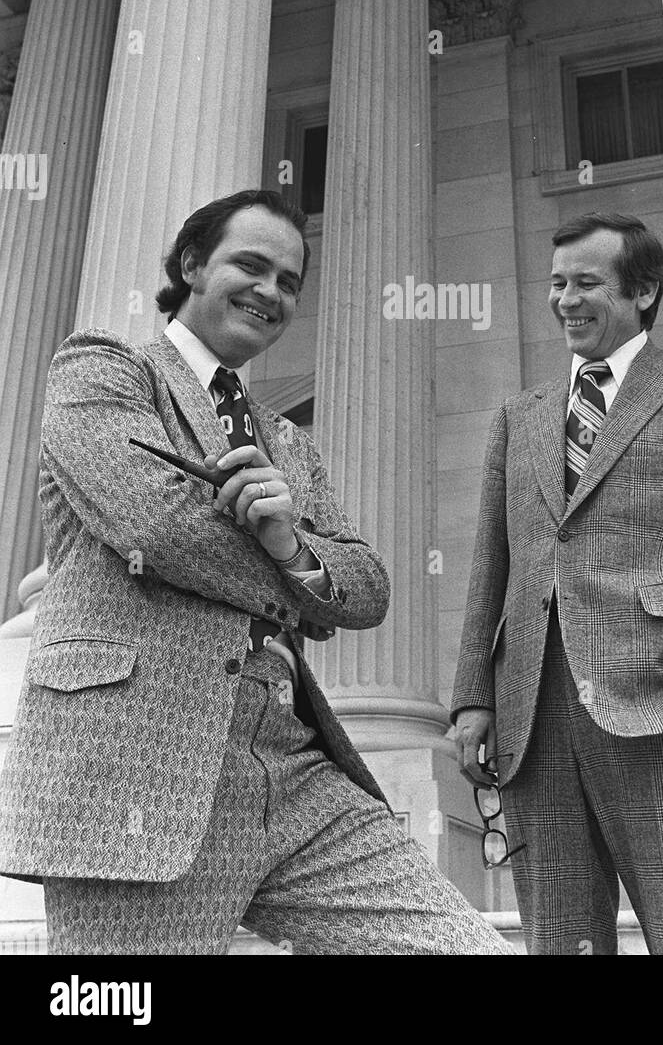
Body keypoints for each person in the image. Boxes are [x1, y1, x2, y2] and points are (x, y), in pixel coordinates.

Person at [0, 188, 509, 956]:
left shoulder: (287, 441)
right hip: (141, 765)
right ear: (191, 264)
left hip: (294, 773)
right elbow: (154, 525)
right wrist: (292, 568)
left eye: (290, 282)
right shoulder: (104, 369)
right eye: (251, 265)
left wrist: (292, 547)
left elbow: (366, 588)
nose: (271, 292)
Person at [451, 212, 663, 955]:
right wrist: (475, 697)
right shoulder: (521, 416)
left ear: (643, 290)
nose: (565, 300)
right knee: (560, 945)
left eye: (585, 283)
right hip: (533, 719)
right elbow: (491, 568)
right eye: (556, 283)